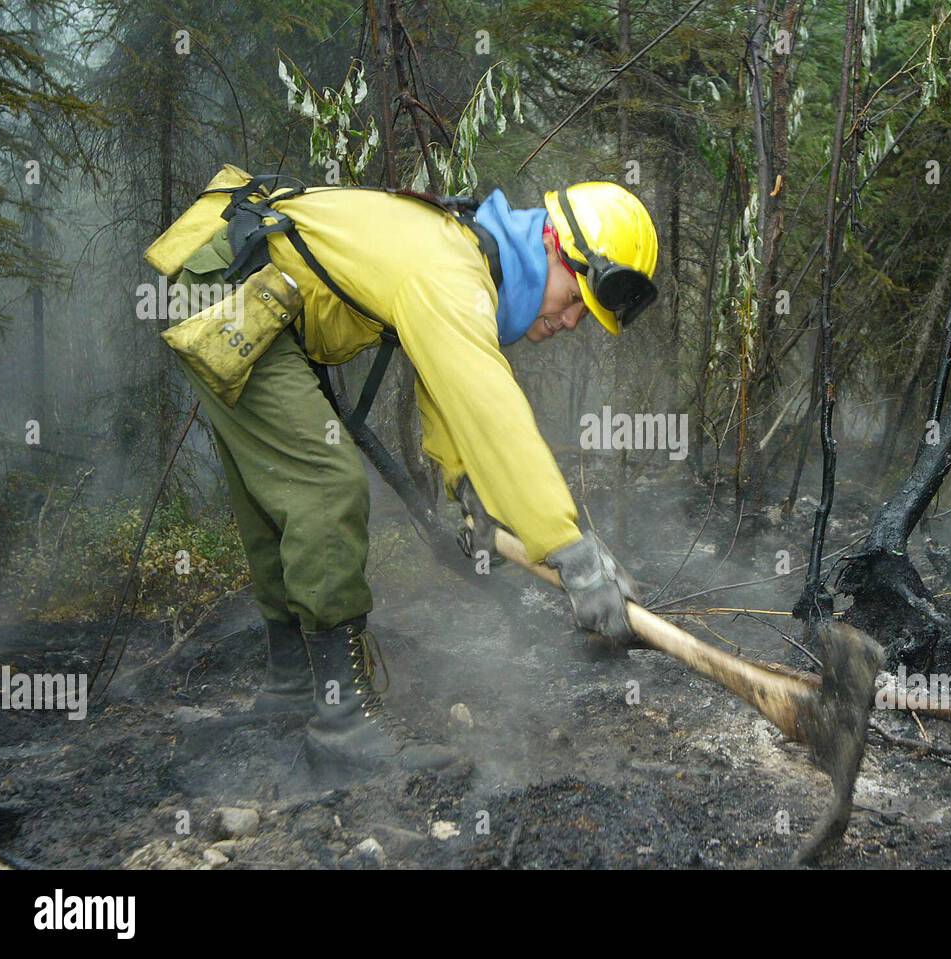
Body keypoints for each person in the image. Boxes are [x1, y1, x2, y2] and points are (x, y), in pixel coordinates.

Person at [150, 170, 659, 777]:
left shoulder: (464, 257)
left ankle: (289, 685)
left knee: (278, 496)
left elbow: (445, 388)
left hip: (230, 282)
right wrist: (571, 552)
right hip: (234, 291)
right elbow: (487, 407)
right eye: (576, 298)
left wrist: (469, 492)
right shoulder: (451, 271)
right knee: (323, 485)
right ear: (552, 243)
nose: (572, 321)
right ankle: (343, 729)